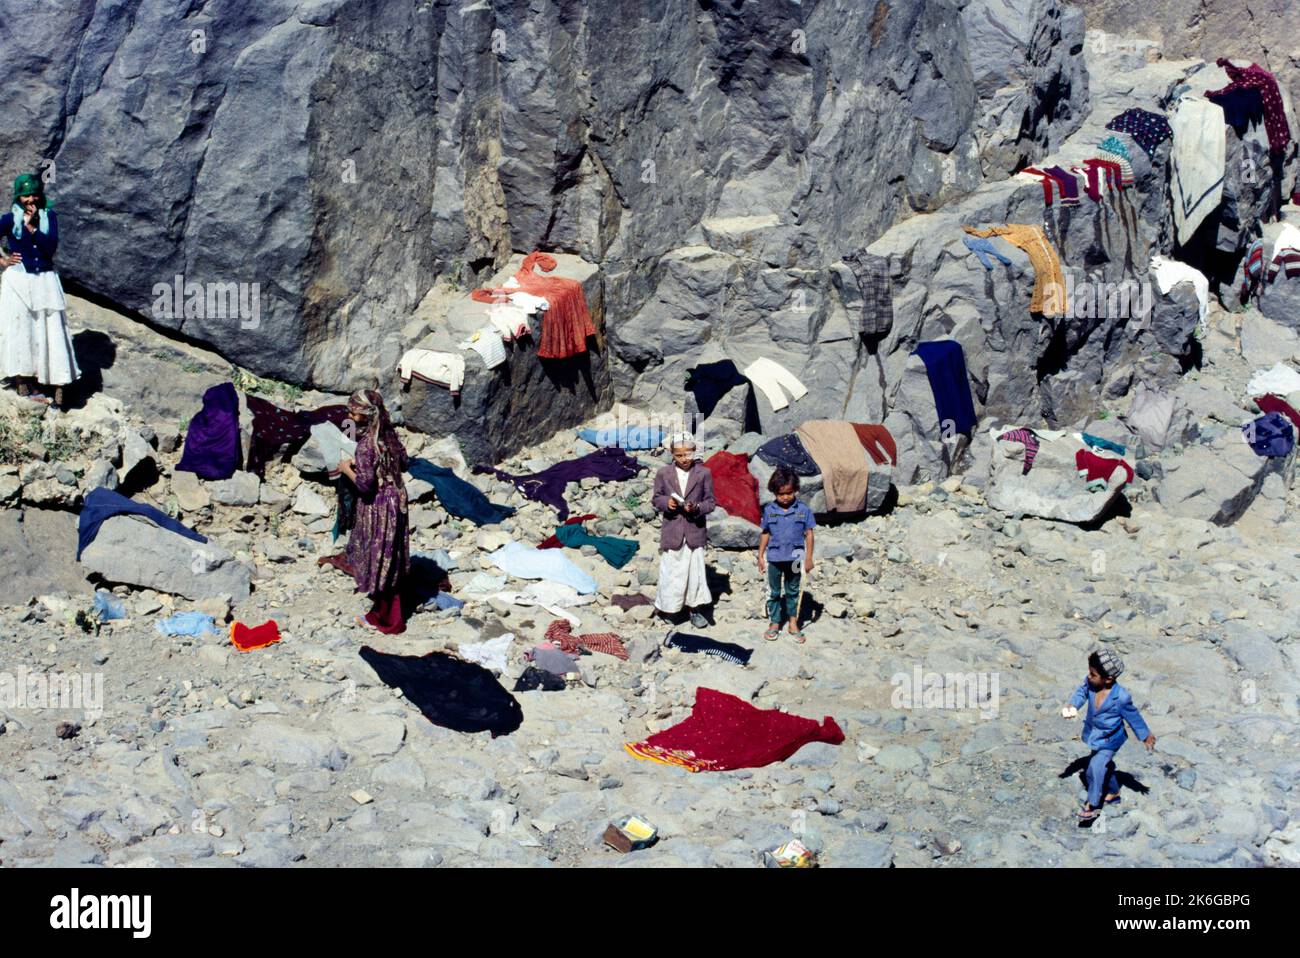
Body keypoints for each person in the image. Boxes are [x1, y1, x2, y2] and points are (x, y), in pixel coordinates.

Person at [328, 389, 410, 634]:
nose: (351, 416)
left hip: (379, 506)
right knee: (391, 554)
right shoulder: (389, 435)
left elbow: (365, 484)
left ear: (365, 415)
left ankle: (386, 618)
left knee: (379, 556)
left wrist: (346, 469)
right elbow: (404, 461)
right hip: (398, 498)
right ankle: (387, 608)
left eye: (354, 412)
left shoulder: (366, 446)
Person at [0, 173, 80, 407]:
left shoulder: (49, 217)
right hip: (19, 279)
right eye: (25, 195)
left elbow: (50, 248)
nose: (31, 199)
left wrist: (33, 227)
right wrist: (3, 261)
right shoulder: (8, 219)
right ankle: (22, 377)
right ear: (18, 197)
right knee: (21, 327)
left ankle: (54, 379)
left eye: (34, 194)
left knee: (49, 327)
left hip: (44, 280)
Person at [1063, 649, 1155, 821]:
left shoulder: (1121, 697)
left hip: (1110, 739)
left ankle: (1093, 804)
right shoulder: (1091, 683)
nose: (1089, 677)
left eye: (1093, 674)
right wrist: (1072, 706)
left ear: (1109, 679)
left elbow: (1133, 716)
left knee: (1094, 768)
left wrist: (1145, 735)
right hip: (1094, 735)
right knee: (1101, 766)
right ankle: (1113, 791)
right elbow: (1081, 692)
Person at [651, 432, 715, 629]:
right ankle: (670, 609)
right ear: (672, 454)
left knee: (694, 573)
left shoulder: (703, 473)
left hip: (694, 531)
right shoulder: (664, 473)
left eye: (688, 454)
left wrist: (696, 507)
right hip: (673, 531)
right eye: (679, 455)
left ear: (695, 452)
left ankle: (694, 609)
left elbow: (711, 502)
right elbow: (656, 498)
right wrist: (666, 503)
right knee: (672, 571)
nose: (684, 459)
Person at [757, 468, 816, 641]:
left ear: (795, 490)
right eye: (780, 494)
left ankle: (792, 622)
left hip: (796, 558)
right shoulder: (769, 510)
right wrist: (760, 556)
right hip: (774, 558)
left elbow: (809, 534)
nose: (785, 497)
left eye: (789, 493)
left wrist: (809, 558)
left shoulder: (803, 510)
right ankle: (775, 622)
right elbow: (765, 533)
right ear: (774, 492)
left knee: (793, 591)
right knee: (773, 592)